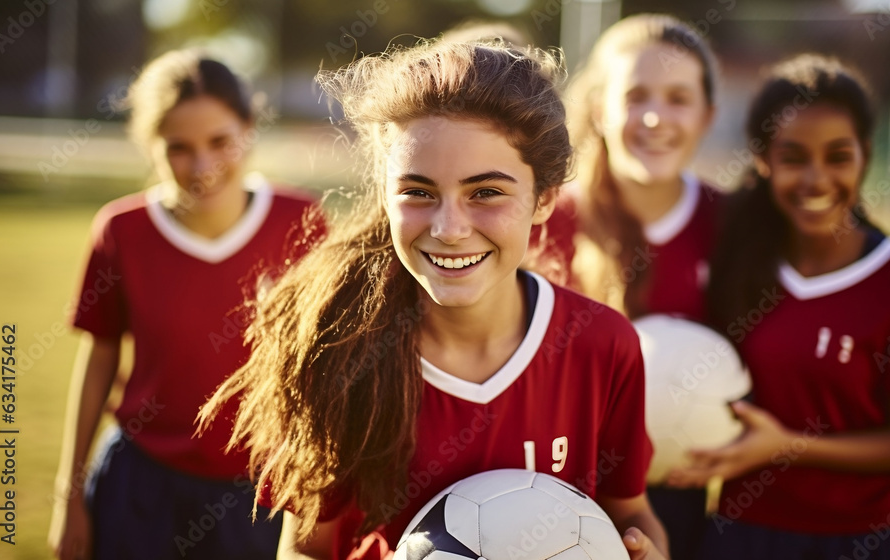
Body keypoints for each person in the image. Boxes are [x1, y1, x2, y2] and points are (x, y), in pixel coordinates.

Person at [199, 39, 669, 560]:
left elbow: (631, 512)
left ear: (545, 198)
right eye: (418, 192)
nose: (449, 229)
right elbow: (306, 548)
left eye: (486, 192)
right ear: (385, 193)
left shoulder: (603, 346)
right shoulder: (339, 346)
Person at [529, 14, 890, 560]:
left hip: (679, 499)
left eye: (678, 98)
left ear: (707, 116)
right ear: (599, 106)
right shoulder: (537, 225)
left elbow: (845, 245)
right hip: (547, 494)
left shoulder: (731, 224)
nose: (654, 117)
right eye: (636, 94)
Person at [667, 54, 890, 560]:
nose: (816, 179)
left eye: (838, 156)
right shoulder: (736, 257)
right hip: (739, 536)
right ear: (763, 160)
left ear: (865, 156)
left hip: (859, 542)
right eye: (794, 157)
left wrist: (786, 446)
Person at [47, 49, 322, 560]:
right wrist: (69, 497)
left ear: (249, 127)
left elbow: (329, 369)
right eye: (178, 147)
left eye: (220, 141)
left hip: (263, 491)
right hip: (141, 486)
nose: (202, 166)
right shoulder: (121, 230)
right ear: (150, 147)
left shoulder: (301, 221)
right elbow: (100, 357)